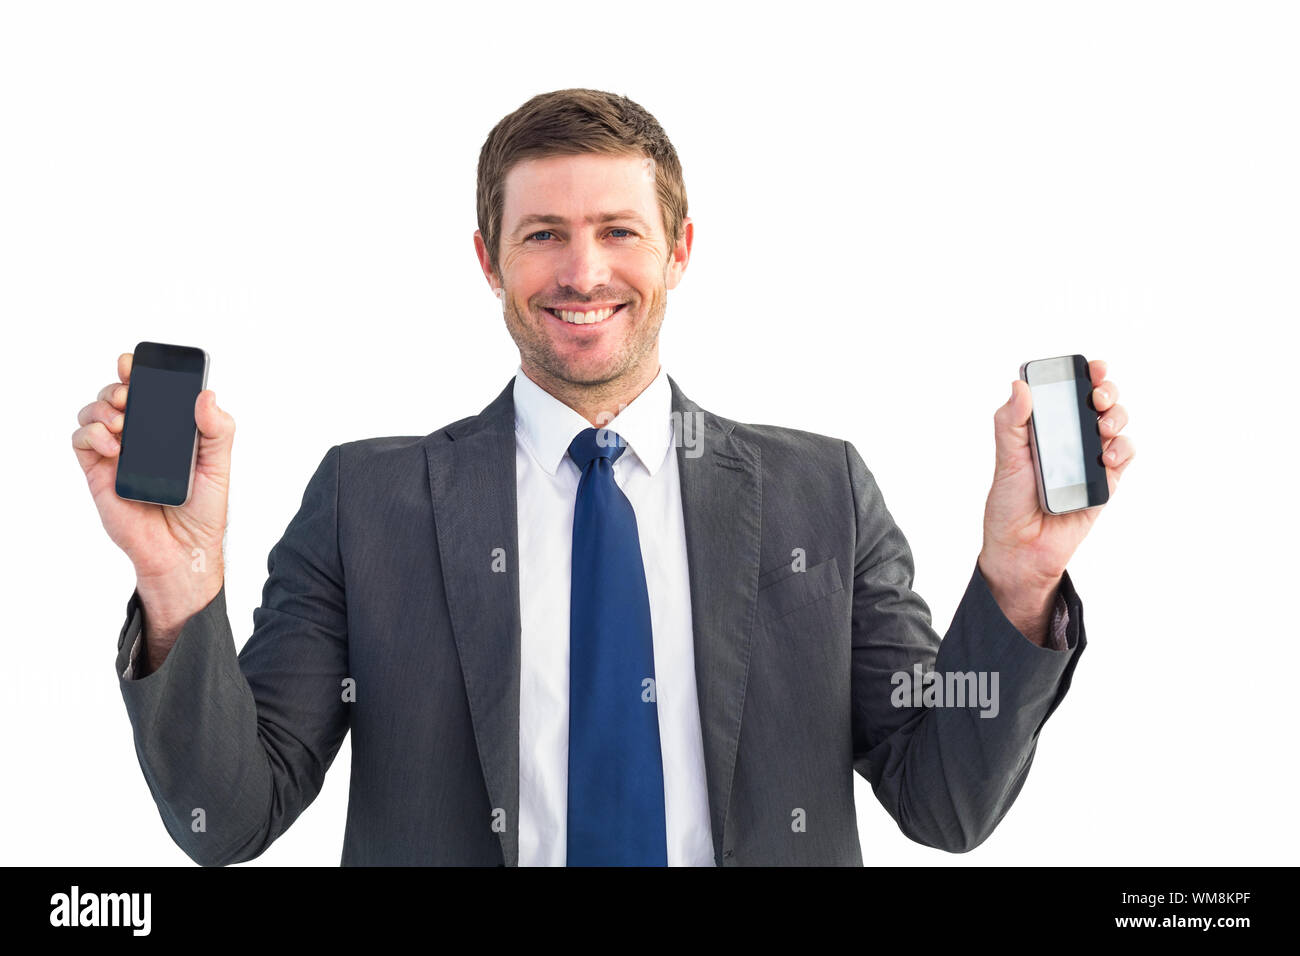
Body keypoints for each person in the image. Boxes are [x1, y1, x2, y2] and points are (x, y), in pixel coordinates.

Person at [71, 88, 1135, 866]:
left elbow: (944, 801)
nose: (583, 272)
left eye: (617, 231)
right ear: (489, 259)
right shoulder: (369, 499)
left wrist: (1018, 583)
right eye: (543, 235)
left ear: (677, 249)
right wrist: (178, 585)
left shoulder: (820, 490)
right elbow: (226, 814)